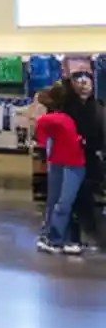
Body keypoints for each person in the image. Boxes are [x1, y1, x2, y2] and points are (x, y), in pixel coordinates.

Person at [36, 84, 86, 254]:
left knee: (57, 202)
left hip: (60, 160)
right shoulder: (67, 119)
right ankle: (60, 238)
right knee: (64, 203)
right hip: (74, 162)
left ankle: (54, 238)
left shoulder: (48, 120)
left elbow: (42, 142)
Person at [61, 71, 103, 249]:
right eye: (79, 82)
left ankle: (92, 235)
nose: (84, 85)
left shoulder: (98, 107)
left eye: (87, 82)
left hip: (92, 158)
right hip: (72, 158)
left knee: (90, 198)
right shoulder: (68, 109)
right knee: (73, 199)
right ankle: (75, 236)